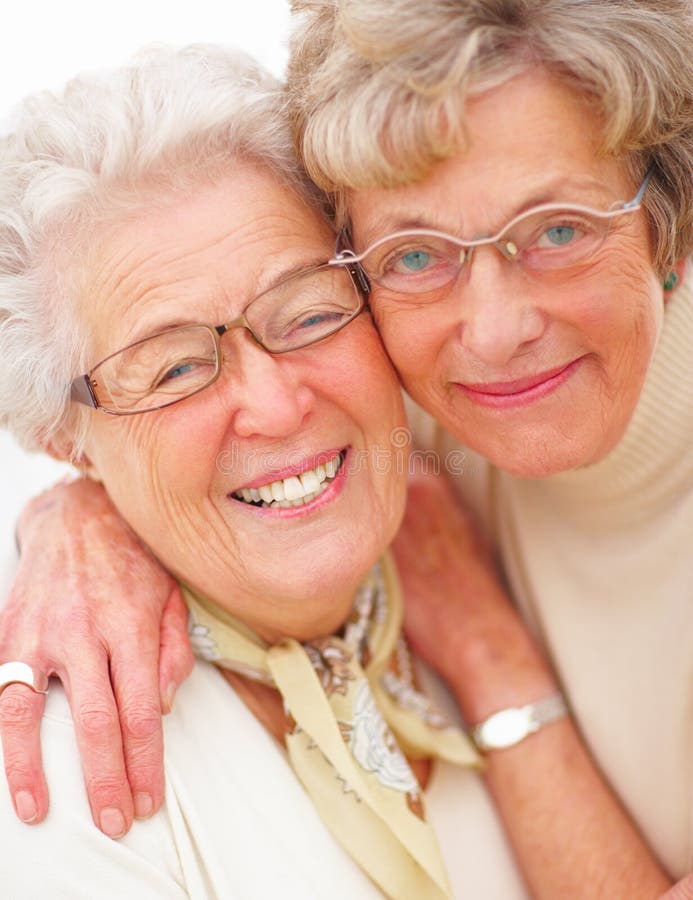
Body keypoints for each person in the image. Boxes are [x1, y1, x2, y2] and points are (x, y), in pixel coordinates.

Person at [2, 0, 691, 894]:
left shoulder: (440, 446)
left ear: (670, 216)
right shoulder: (437, 411)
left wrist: (488, 654)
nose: (492, 332)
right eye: (415, 255)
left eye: (559, 230)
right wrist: (77, 515)